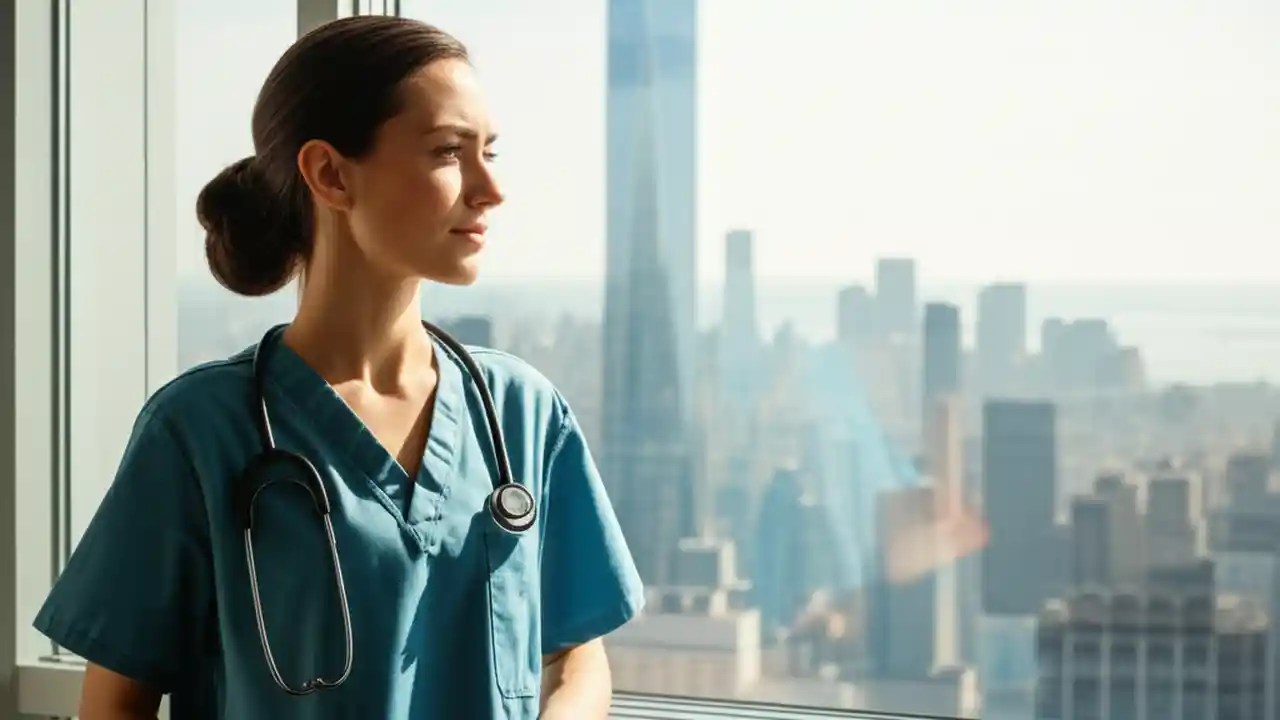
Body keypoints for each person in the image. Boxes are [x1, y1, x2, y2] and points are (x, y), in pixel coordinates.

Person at [33, 15, 644, 720]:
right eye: (449, 152)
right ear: (329, 174)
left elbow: (575, 652)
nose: (489, 189)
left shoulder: (520, 412)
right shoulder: (200, 431)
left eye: (490, 153)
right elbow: (115, 704)